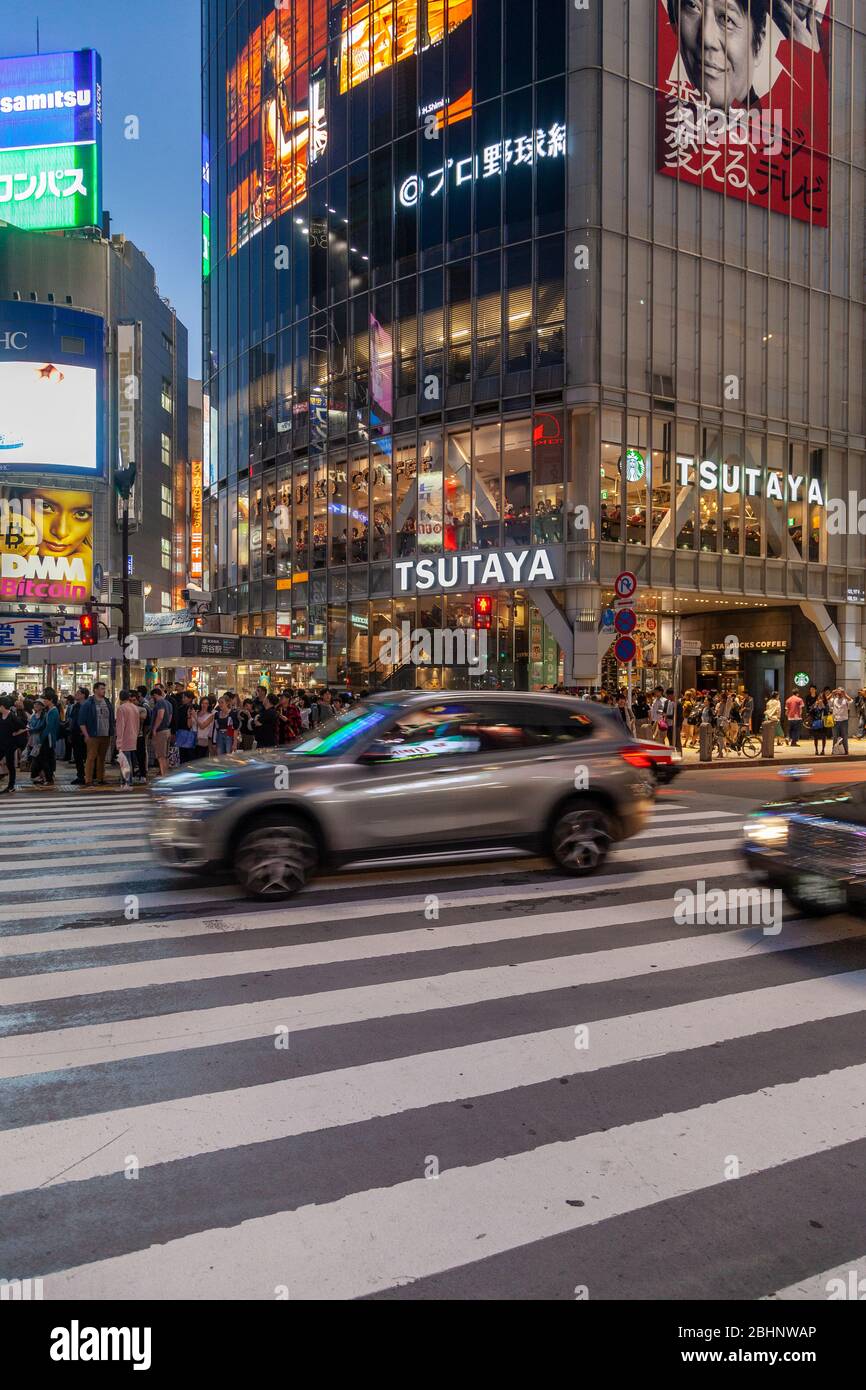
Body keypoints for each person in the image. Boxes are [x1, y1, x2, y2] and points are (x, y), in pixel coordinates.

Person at [667, 0, 769, 113]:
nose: (706, 38)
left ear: (758, 45)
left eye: (726, 19)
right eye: (693, 5)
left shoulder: (764, 127)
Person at [79, 681, 115, 786]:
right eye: (101, 688)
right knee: (91, 757)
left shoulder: (107, 702)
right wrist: (86, 735)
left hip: (105, 734)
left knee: (102, 758)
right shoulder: (88, 703)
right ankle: (88, 779)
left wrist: (111, 730)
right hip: (93, 735)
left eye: (104, 689)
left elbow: (111, 718)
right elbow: (81, 721)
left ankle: (101, 778)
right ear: (95, 690)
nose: (103, 690)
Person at [31, 688, 61, 786]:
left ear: (51, 700)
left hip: (48, 738)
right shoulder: (51, 710)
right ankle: (47, 777)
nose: (44, 701)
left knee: (45, 759)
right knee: (45, 759)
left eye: (45, 699)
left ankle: (49, 779)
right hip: (47, 738)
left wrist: (41, 738)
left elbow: (49, 727)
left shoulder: (53, 711)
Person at [0, 695, 27, 793]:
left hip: (10, 744)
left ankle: (11, 786)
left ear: (2, 706)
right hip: (1, 743)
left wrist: (16, 733)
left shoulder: (12, 716)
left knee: (10, 765)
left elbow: (24, 727)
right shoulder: (0, 715)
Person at [115, 690, 141, 789]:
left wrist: (119, 741)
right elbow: (138, 724)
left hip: (125, 737)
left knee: (125, 760)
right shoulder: (135, 708)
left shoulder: (121, 709)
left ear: (120, 698)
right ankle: (127, 780)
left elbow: (120, 726)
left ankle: (127, 781)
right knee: (128, 759)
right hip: (133, 736)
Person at [149, 684, 173, 777]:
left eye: (152, 697)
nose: (152, 699)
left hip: (160, 731)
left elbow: (160, 715)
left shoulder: (160, 703)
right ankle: (166, 774)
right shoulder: (168, 703)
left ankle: (164, 775)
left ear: (155, 695)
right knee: (165, 755)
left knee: (160, 756)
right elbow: (170, 717)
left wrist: (154, 728)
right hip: (167, 730)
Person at [67, 686, 89, 785]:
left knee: (86, 755)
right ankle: (80, 775)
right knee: (77, 756)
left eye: (78, 693)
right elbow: (72, 720)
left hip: (83, 734)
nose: (76, 695)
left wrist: (85, 734)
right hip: (75, 734)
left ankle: (88, 775)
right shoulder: (75, 706)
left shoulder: (88, 706)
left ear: (83, 695)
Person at [830, 687, 853, 755]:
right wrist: (832, 693)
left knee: (844, 736)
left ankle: (846, 750)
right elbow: (827, 699)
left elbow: (851, 700)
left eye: (840, 692)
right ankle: (834, 750)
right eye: (838, 692)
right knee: (835, 736)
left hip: (844, 721)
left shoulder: (845, 700)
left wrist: (845, 694)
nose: (839, 694)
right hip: (835, 720)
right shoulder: (834, 699)